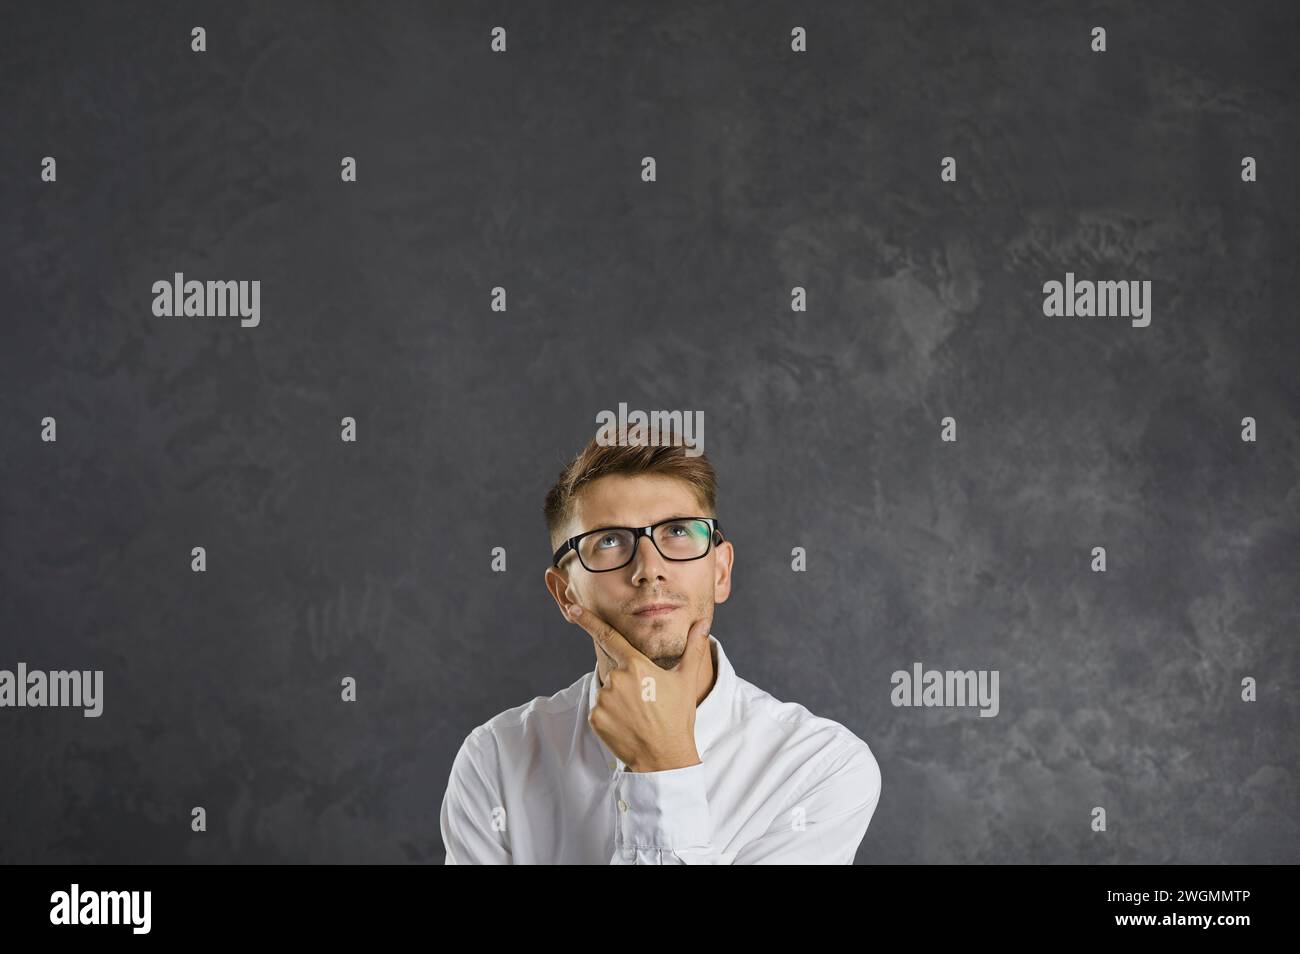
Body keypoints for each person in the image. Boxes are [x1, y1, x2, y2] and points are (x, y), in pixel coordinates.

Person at [439, 425, 882, 863]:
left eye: (678, 532)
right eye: (609, 541)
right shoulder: (495, 758)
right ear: (565, 594)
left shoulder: (822, 767)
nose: (649, 569)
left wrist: (663, 765)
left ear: (720, 571)